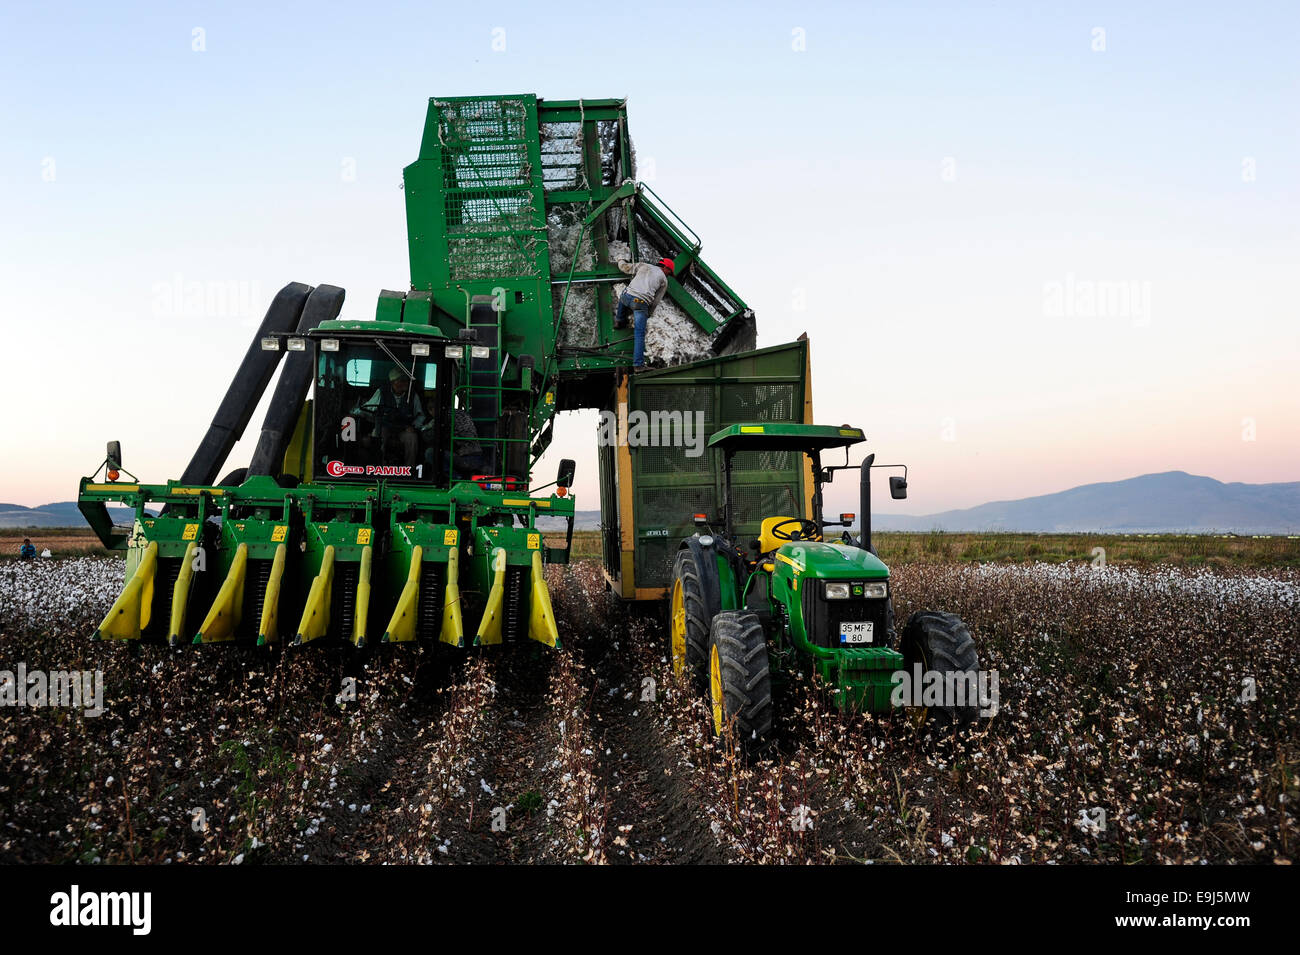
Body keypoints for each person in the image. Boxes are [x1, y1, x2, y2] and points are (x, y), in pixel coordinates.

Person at [614, 256, 674, 371]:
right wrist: (648, 313)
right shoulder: (664, 280)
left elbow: (625, 268)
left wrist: (620, 259)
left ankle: (619, 320)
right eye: (669, 272)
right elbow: (656, 300)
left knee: (623, 295)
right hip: (640, 304)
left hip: (627, 297)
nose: (668, 275)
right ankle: (638, 365)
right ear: (665, 268)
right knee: (639, 334)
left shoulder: (644, 265)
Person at [359, 367, 424, 467]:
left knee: (412, 438)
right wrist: (355, 413)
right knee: (376, 434)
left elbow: (420, 416)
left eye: (407, 380)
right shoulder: (382, 392)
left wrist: (414, 427)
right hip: (385, 427)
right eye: (402, 380)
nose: (406, 383)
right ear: (393, 382)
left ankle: (409, 470)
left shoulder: (413, 395)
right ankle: (378, 467)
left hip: (404, 429)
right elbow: (369, 406)